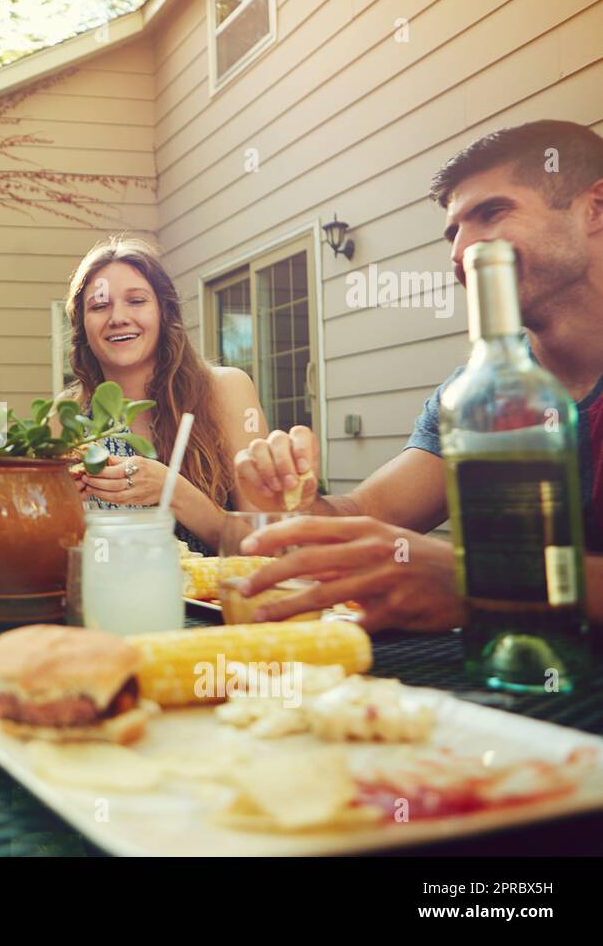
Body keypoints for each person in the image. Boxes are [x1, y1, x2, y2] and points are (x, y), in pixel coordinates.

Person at [233, 120, 603, 630]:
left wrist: (479, 580)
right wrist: (296, 497)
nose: (459, 253)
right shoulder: (475, 396)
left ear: (595, 208)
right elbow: (361, 514)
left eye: (492, 212)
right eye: (453, 233)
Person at [61, 236, 269, 553]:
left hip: (211, 603)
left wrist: (172, 492)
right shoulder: (66, 417)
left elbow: (266, 544)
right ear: (82, 326)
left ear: (164, 312)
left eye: (136, 301)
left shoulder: (226, 390)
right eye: (100, 306)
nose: (117, 317)